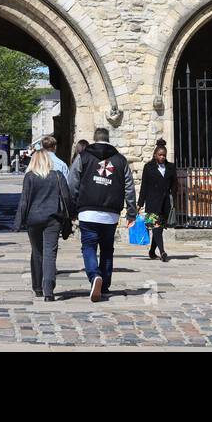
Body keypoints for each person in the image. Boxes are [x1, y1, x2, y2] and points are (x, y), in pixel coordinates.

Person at [70, 127, 136, 302]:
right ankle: (104, 285)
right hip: (111, 213)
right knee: (107, 249)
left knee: (89, 247)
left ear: (94, 138)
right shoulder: (120, 160)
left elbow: (72, 183)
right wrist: (131, 212)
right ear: (109, 138)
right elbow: (129, 188)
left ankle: (94, 276)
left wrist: (72, 208)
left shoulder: (83, 157)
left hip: (87, 212)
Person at [15, 149, 73, 301]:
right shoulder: (57, 176)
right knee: (50, 252)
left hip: (33, 219)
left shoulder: (29, 177)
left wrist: (19, 221)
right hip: (53, 218)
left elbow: (24, 200)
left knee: (36, 251)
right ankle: (48, 290)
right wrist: (70, 217)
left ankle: (37, 287)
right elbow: (66, 197)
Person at [138, 144, 178, 262]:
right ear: (155, 155)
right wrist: (140, 203)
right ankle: (162, 252)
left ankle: (151, 251)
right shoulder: (148, 167)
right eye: (160, 155)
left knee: (159, 228)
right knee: (156, 227)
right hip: (152, 203)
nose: (162, 157)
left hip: (165, 203)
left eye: (164, 155)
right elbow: (144, 186)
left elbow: (175, 185)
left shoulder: (171, 167)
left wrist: (173, 199)